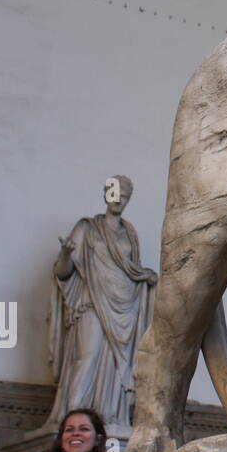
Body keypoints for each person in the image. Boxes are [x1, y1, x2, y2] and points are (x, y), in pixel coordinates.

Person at [40, 175, 156, 432]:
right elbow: (63, 273)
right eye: (115, 193)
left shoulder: (130, 233)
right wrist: (66, 253)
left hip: (125, 310)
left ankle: (109, 420)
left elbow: (131, 271)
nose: (119, 199)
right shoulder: (87, 228)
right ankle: (73, 422)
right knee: (87, 358)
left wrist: (145, 277)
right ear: (106, 194)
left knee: (116, 369)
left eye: (124, 195)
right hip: (92, 302)